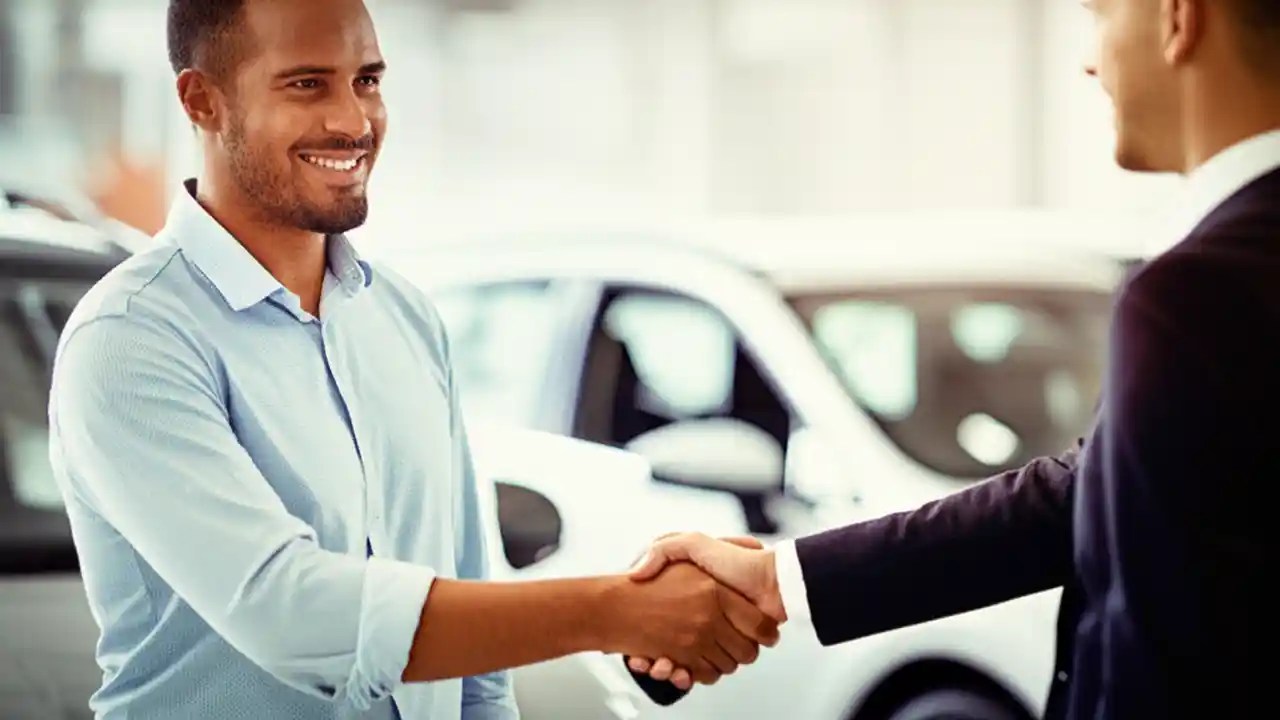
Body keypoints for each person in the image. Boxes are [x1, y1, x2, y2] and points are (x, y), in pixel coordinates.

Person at [47, 1, 779, 718]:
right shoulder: (130, 338)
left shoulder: (404, 318)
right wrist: (616, 611)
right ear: (202, 100)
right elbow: (290, 614)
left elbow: (476, 654)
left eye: (367, 80)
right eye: (308, 84)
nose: (353, 120)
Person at [628, 0, 1277, 716]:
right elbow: (1079, 496)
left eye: (1101, 16)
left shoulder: (1196, 291)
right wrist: (780, 578)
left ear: (1178, 18)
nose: (1090, 60)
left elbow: (1158, 657)